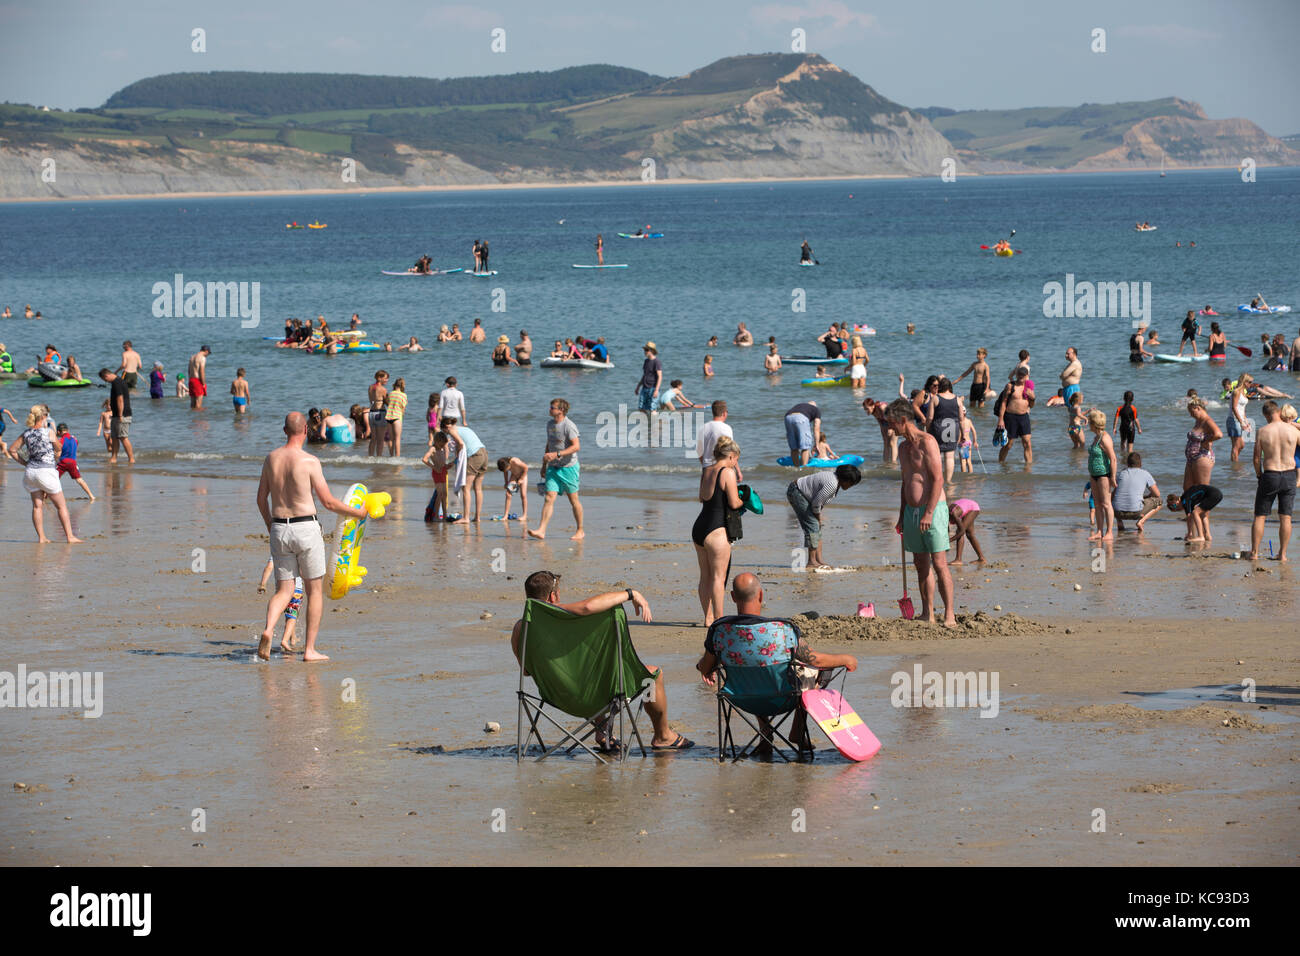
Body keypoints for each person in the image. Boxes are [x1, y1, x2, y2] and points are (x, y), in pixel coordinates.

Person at [511, 572, 693, 751]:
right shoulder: (570, 620)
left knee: (582, 675)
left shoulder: (521, 629)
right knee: (652, 677)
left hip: (558, 697)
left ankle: (603, 731)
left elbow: (526, 671)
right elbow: (588, 607)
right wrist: (632, 594)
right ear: (553, 596)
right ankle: (663, 736)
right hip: (599, 695)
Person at [695, 573, 856, 753]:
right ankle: (797, 730)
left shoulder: (720, 630)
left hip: (741, 698)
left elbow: (705, 666)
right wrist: (845, 659)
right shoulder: (782, 629)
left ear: (732, 597)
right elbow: (815, 660)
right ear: (761, 595)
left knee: (752, 674)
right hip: (784, 698)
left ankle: (765, 734)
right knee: (821, 670)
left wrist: (705, 668)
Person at [255, 412, 367, 662]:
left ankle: (268, 629)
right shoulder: (310, 461)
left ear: (285, 430)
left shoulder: (270, 458)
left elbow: (261, 498)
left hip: (279, 527)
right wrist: (357, 512)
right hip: (305, 528)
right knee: (314, 590)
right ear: (306, 430)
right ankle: (309, 650)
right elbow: (328, 501)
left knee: (284, 591)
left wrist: (271, 525)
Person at [888, 399, 956, 627]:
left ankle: (949, 615)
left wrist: (928, 513)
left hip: (933, 510)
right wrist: (901, 515)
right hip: (911, 512)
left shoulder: (928, 442)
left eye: (892, 423)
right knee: (920, 563)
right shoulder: (902, 447)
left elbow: (938, 479)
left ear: (903, 420)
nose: (891, 428)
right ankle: (928, 613)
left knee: (939, 562)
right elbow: (905, 483)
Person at [5, 405, 81, 543]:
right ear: (44, 417)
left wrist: (25, 463)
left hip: (31, 473)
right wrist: (56, 452)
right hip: (46, 472)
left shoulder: (26, 433)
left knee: (37, 506)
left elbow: (12, 450)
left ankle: (42, 538)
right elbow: (59, 448)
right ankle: (70, 537)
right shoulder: (49, 432)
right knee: (61, 506)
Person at [692, 435, 742, 626]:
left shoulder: (706, 471)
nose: (736, 463)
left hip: (700, 527)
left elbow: (701, 497)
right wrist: (744, 499)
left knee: (705, 576)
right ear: (730, 456)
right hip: (717, 530)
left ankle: (707, 617)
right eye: (736, 459)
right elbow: (733, 502)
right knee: (718, 578)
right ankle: (719, 620)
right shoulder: (727, 472)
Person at [1249, 401, 1300, 562]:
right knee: (1286, 517)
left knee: (1260, 516)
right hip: (1290, 475)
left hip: (1270, 475)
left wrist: (1259, 475)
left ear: (1266, 415)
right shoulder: (1293, 430)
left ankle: (1255, 553)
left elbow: (1256, 458)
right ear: (1279, 411)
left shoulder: (1263, 431)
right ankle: (1282, 554)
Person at [527, 398, 583, 540]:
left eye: (552, 407)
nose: (550, 409)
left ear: (561, 410)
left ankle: (580, 530)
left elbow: (576, 446)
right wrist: (544, 465)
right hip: (553, 467)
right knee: (549, 498)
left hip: (568, 467)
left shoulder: (569, 426)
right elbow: (549, 444)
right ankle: (541, 530)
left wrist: (557, 454)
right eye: (550, 407)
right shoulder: (550, 424)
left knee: (573, 500)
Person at [786, 463, 861, 570]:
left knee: (817, 527)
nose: (850, 486)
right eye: (851, 483)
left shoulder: (835, 480)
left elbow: (819, 501)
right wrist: (818, 517)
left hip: (801, 493)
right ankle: (811, 561)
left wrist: (818, 518)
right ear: (845, 479)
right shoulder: (832, 484)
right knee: (813, 526)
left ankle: (819, 560)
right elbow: (816, 503)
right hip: (797, 492)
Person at [442, 417, 488, 523]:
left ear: (446, 427)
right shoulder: (463, 428)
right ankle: (477, 517)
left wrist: (456, 460)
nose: (447, 434)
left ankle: (466, 518)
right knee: (478, 488)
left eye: (445, 432)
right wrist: (454, 462)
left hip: (474, 455)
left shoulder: (452, 430)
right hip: (484, 453)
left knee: (466, 488)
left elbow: (461, 444)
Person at [1086, 409, 1118, 541]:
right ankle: (1099, 531)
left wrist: (1113, 477)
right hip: (1094, 474)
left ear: (1094, 424)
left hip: (1104, 474)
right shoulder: (1096, 437)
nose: (1088, 425)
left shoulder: (1105, 438)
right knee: (1097, 504)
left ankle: (1109, 532)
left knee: (1106, 504)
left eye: (1090, 422)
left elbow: (1113, 458)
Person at [1111, 452, 1160, 533]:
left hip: (1117, 512)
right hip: (1136, 512)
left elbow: (1114, 494)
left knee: (1115, 498)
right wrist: (1148, 496)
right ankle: (1141, 521)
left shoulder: (1121, 474)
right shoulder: (1145, 473)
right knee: (1159, 502)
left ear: (1127, 463)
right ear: (1140, 463)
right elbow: (1157, 494)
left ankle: (1119, 522)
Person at [927, 376, 964, 484]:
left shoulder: (935, 398)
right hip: (953, 428)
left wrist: (928, 429)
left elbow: (929, 417)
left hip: (938, 427)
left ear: (940, 387)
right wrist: (963, 434)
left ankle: (937, 480)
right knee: (949, 456)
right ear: (950, 387)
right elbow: (961, 419)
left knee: (937, 455)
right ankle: (948, 480)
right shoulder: (957, 399)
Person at [996, 368, 1035, 464]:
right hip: (1010, 417)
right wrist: (1001, 419)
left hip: (1024, 417)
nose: (1021, 376)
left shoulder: (1028, 388)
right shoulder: (1010, 386)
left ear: (1027, 376)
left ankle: (1028, 467)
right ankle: (1001, 464)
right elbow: (1003, 403)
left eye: (1023, 374)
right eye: (1020, 374)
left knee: (1027, 443)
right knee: (1008, 445)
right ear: (1016, 375)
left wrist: (1033, 398)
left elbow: (1031, 406)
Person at [97, 367, 135, 464]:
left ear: (106, 375)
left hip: (122, 414)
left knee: (123, 437)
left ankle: (131, 459)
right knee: (114, 437)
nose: (106, 381)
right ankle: (113, 458)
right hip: (115, 414)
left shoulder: (117, 383)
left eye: (105, 379)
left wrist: (120, 415)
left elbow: (120, 399)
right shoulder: (116, 382)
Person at [1184, 399, 1221, 490]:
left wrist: (1207, 441)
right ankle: (1191, 504)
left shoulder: (1207, 421)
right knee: (1187, 488)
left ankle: (1203, 504)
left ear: (1198, 408)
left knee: (1201, 489)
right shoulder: (1198, 421)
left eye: (1192, 412)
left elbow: (1218, 434)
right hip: (1191, 458)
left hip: (1202, 456)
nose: (1190, 415)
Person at [54, 423, 95, 500]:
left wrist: (54, 456)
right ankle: (91, 496)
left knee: (53, 479)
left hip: (63, 462)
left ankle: (44, 496)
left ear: (59, 432)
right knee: (79, 479)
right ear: (67, 430)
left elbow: (58, 453)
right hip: (73, 462)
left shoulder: (61, 440)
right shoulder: (75, 439)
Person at [420, 432, 452, 522]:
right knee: (440, 493)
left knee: (445, 494)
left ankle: (445, 515)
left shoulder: (441, 449)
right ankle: (436, 515)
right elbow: (424, 459)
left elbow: (442, 462)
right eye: (441, 444)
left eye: (444, 445)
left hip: (443, 472)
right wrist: (434, 467)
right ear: (437, 441)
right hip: (437, 473)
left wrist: (447, 465)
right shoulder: (433, 449)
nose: (442, 446)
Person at [696, 400, 733, 470]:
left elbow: (699, 451)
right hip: (722, 468)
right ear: (724, 413)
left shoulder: (703, 427)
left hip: (707, 467)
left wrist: (704, 465)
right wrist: (737, 470)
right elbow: (730, 451)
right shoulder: (727, 428)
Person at [783, 400, 822, 467]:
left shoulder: (800, 405)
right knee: (805, 447)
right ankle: (804, 468)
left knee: (794, 447)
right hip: (801, 418)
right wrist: (817, 444)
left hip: (787, 417)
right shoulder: (816, 409)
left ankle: (796, 467)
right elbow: (816, 427)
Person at [947, 499, 984, 564]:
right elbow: (946, 529)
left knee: (959, 531)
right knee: (970, 534)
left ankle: (958, 559)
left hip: (973, 508)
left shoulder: (953, 514)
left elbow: (961, 531)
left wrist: (949, 540)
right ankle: (981, 559)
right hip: (966, 507)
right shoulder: (943, 516)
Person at [1226, 374, 1252, 462]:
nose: (1251, 384)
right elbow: (1234, 407)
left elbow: (1242, 409)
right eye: (1250, 382)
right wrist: (1241, 422)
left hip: (1240, 419)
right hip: (1233, 420)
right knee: (1236, 445)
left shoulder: (1243, 392)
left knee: (1241, 445)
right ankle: (1235, 466)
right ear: (1244, 382)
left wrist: (1246, 421)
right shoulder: (1236, 392)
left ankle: (1234, 463)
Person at [497, 456, 530, 522]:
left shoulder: (515, 461)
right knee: (508, 494)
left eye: (507, 469)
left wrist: (521, 479)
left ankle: (524, 515)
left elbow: (526, 468)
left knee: (523, 495)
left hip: (523, 475)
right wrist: (506, 482)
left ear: (508, 464)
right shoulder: (505, 465)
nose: (506, 470)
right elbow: (505, 472)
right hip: (514, 476)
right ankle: (505, 515)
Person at [634, 342, 662, 415]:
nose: (645, 352)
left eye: (646, 350)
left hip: (653, 388)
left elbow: (660, 376)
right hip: (644, 388)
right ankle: (648, 424)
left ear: (652, 351)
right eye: (644, 350)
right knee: (641, 408)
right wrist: (638, 386)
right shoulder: (646, 361)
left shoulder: (657, 362)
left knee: (652, 409)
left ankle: (656, 424)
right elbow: (644, 375)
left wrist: (656, 390)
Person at [384, 377, 408, 457]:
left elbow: (387, 403)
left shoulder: (390, 393)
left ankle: (391, 456)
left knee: (390, 439)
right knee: (397, 439)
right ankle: (397, 457)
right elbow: (403, 409)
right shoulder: (403, 395)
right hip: (397, 417)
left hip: (388, 417)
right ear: (402, 385)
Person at [367, 370, 389, 457]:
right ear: (379, 378)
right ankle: (379, 458)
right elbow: (387, 402)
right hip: (380, 412)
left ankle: (370, 457)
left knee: (373, 439)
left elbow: (371, 401)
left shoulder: (370, 387)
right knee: (380, 440)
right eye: (385, 378)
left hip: (371, 413)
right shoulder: (383, 389)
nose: (387, 380)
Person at [1113, 391, 1141, 455]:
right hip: (1131, 429)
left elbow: (1116, 418)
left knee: (1123, 442)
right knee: (1130, 445)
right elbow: (1136, 419)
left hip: (1122, 428)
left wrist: (1114, 428)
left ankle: (1123, 456)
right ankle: (1129, 458)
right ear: (1133, 399)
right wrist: (1139, 428)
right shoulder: (1133, 408)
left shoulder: (1120, 408)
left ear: (1123, 399)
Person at [187, 345, 211, 409]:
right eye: (208, 353)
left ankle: (192, 417)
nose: (207, 355)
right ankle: (198, 418)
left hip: (191, 380)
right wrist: (203, 383)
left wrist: (190, 379)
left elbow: (189, 371)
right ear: (206, 351)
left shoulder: (192, 357)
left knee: (192, 403)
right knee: (198, 403)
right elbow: (202, 372)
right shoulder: (202, 358)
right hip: (197, 380)